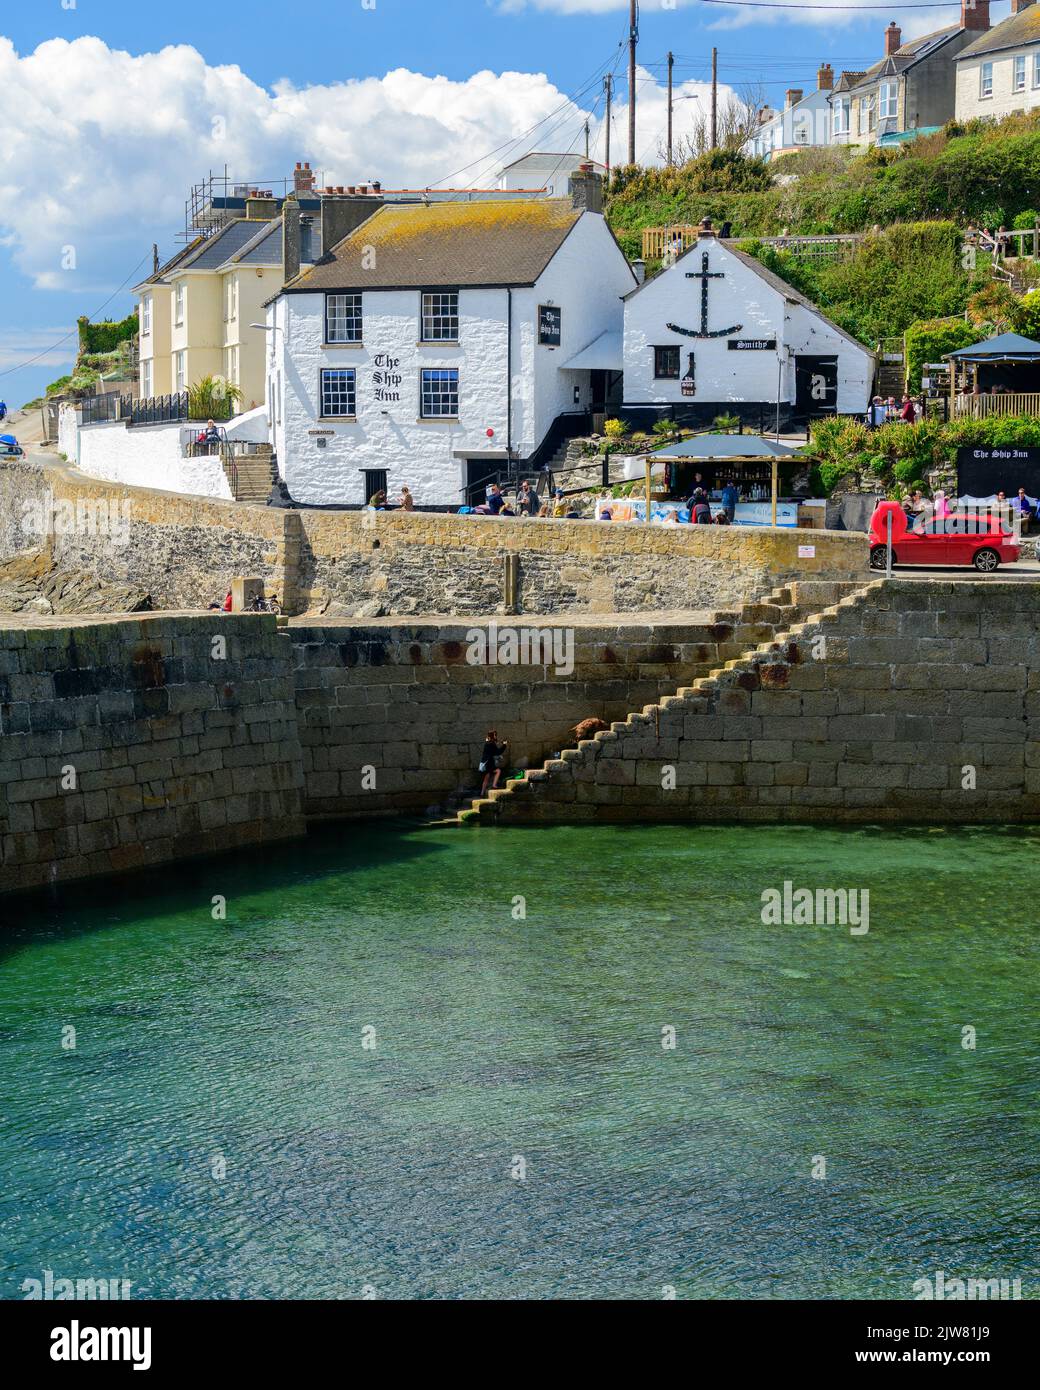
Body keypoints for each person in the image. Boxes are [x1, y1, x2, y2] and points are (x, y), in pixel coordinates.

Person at [479, 729, 507, 795]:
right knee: (498, 771)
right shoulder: (491, 743)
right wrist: (504, 745)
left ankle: (482, 793)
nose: (496, 736)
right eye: (495, 735)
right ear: (492, 736)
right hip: (489, 763)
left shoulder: (488, 742)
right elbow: (498, 752)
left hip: (484, 762)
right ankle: (494, 785)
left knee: (486, 778)